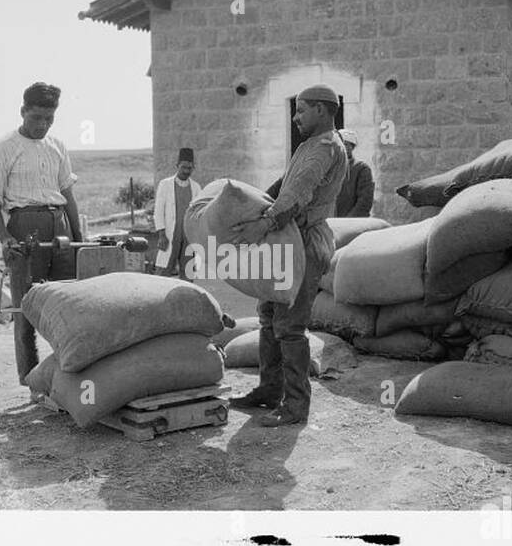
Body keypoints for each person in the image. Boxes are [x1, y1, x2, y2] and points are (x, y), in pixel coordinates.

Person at [230, 85, 347, 427]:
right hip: (289, 239)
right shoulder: (309, 146)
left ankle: (296, 407)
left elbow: (297, 196)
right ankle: (269, 391)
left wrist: (264, 223)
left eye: (302, 109)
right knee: (268, 313)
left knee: (289, 325)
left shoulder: (323, 148)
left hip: (305, 243)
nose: (295, 117)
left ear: (323, 111)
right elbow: (282, 187)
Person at [0, 81, 83, 385]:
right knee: (27, 307)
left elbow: (68, 194)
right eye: (37, 117)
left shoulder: (58, 146)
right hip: (25, 228)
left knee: (66, 300)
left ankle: (66, 373)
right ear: (23, 111)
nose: (43, 125)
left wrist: (78, 240)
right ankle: (30, 380)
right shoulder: (1, 148)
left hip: (59, 225)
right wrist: (5, 238)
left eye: (49, 119)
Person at [153, 148, 202, 279]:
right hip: (170, 235)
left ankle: (186, 298)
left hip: (188, 237)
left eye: (190, 168)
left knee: (188, 272)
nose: (186, 171)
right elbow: (158, 211)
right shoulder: (165, 185)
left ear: (193, 168)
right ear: (177, 166)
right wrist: (162, 235)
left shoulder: (196, 187)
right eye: (183, 167)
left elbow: (198, 213)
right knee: (163, 271)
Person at [333, 130, 375, 217]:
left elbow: (364, 201)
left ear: (352, 147)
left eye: (345, 144)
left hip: (353, 224)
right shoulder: (329, 168)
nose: (341, 147)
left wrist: (347, 222)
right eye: (338, 143)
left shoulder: (362, 169)